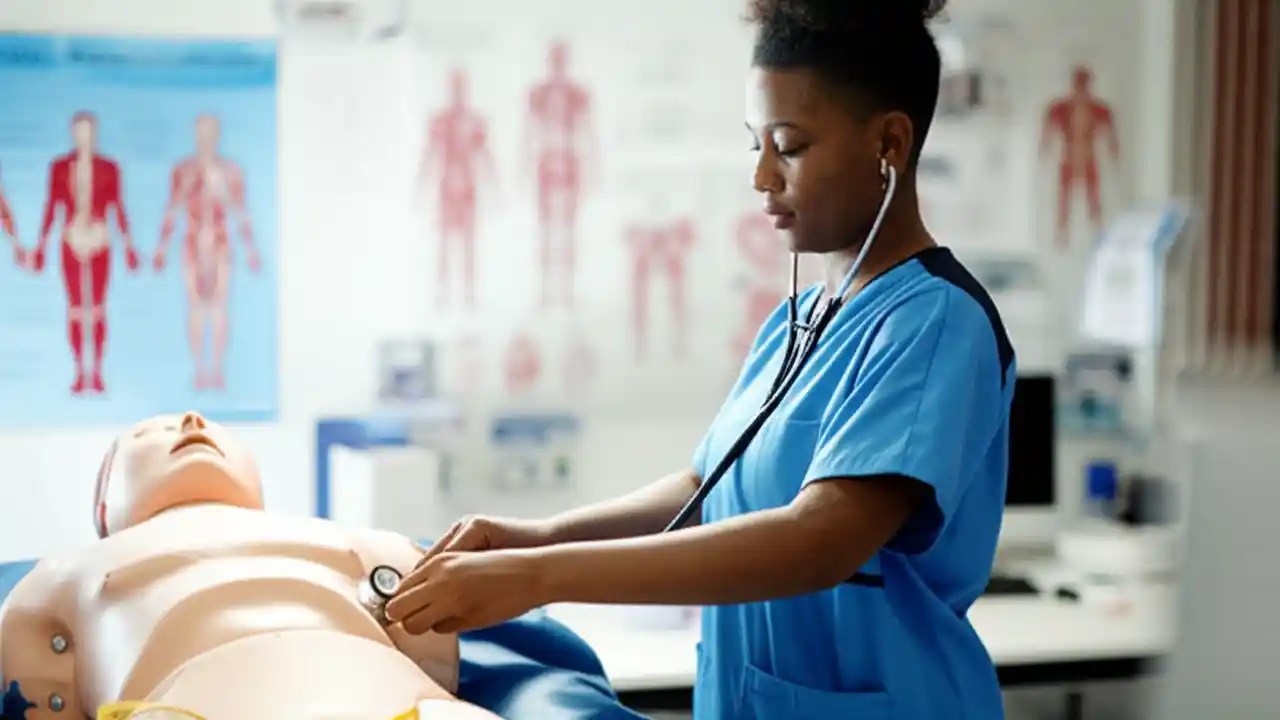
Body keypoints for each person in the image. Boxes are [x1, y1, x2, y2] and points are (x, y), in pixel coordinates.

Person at [387, 1, 1016, 718]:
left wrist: (540, 575)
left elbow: (821, 538)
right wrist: (536, 534)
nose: (762, 177)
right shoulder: (797, 322)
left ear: (890, 144)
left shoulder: (933, 321)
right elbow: (706, 486)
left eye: (791, 146)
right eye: (756, 143)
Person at [0, 411, 497, 719]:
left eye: (216, 430)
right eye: (150, 433)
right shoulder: (66, 575)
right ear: (104, 508)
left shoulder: (360, 542)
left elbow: (432, 648)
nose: (193, 421)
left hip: (406, 701)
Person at [153, 114, 261, 392]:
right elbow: (172, 209)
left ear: (217, 134)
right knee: (196, 308)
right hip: (192, 242)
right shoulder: (183, 170)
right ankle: (200, 369)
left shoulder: (230, 171)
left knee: (219, 308)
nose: (205, 138)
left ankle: (217, 369)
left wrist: (251, 250)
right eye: (201, 132)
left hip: (220, 243)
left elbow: (241, 213)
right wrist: (161, 249)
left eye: (210, 132)